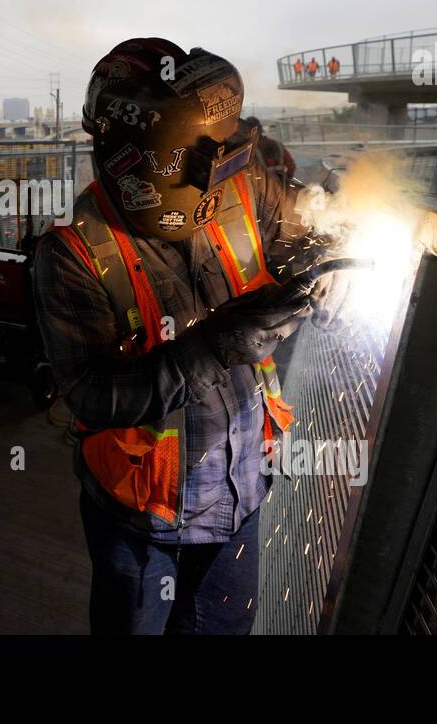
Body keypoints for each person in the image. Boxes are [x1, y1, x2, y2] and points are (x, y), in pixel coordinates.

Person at [32, 38, 344, 635]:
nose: (217, 177)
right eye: (201, 163)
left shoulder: (248, 190)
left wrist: (332, 266)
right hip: (141, 522)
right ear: (137, 156)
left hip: (240, 494)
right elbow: (92, 397)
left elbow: (309, 236)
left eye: (224, 157)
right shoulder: (73, 253)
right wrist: (223, 341)